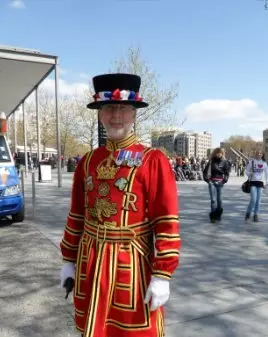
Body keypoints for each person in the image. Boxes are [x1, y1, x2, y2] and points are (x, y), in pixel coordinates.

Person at [59, 73, 181, 337]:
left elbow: (166, 221)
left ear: (134, 114)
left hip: (132, 263)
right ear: (100, 114)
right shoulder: (88, 161)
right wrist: (68, 259)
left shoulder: (152, 160)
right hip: (90, 263)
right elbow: (76, 215)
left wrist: (162, 274)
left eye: (123, 109)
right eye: (109, 108)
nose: (116, 116)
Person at [203, 148, 229, 223]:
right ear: (215, 153)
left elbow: (227, 173)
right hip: (212, 182)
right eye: (217, 153)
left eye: (220, 153)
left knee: (219, 200)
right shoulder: (211, 161)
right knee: (213, 200)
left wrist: (224, 181)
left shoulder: (224, 162)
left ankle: (218, 214)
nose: (218, 154)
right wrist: (208, 181)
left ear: (222, 154)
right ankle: (213, 216)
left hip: (220, 182)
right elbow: (205, 172)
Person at [245, 150, 268, 222]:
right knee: (253, 200)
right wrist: (250, 174)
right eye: (258, 153)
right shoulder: (251, 162)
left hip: (260, 183)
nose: (259, 154)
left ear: (262, 155)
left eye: (260, 153)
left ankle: (256, 214)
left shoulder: (264, 163)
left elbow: (267, 173)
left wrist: (267, 182)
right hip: (253, 183)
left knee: (258, 201)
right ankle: (248, 212)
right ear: (255, 154)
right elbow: (246, 171)